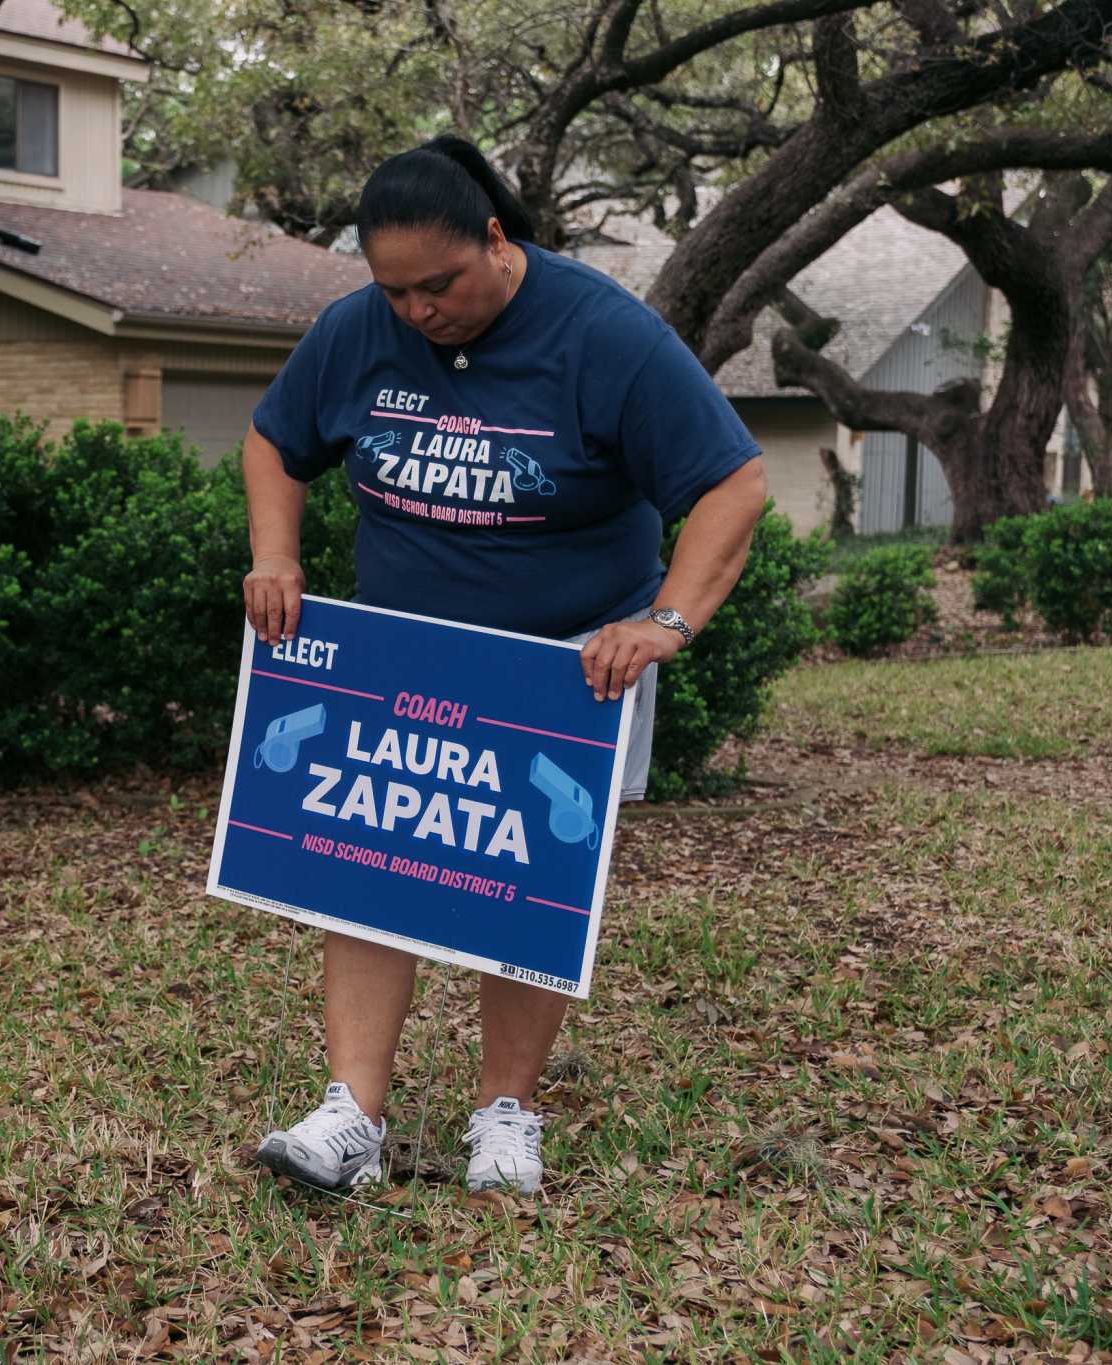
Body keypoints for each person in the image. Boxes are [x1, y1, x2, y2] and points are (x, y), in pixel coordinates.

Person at [241, 136, 768, 1195]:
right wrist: (276, 555)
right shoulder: (357, 331)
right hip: (402, 656)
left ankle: (505, 1115)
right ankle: (351, 1117)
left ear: (495, 238)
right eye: (394, 292)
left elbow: (733, 483)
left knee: (528, 883)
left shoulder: (604, 334)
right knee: (367, 863)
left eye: (437, 285)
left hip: (563, 666)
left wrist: (665, 621)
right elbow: (274, 442)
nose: (417, 312)